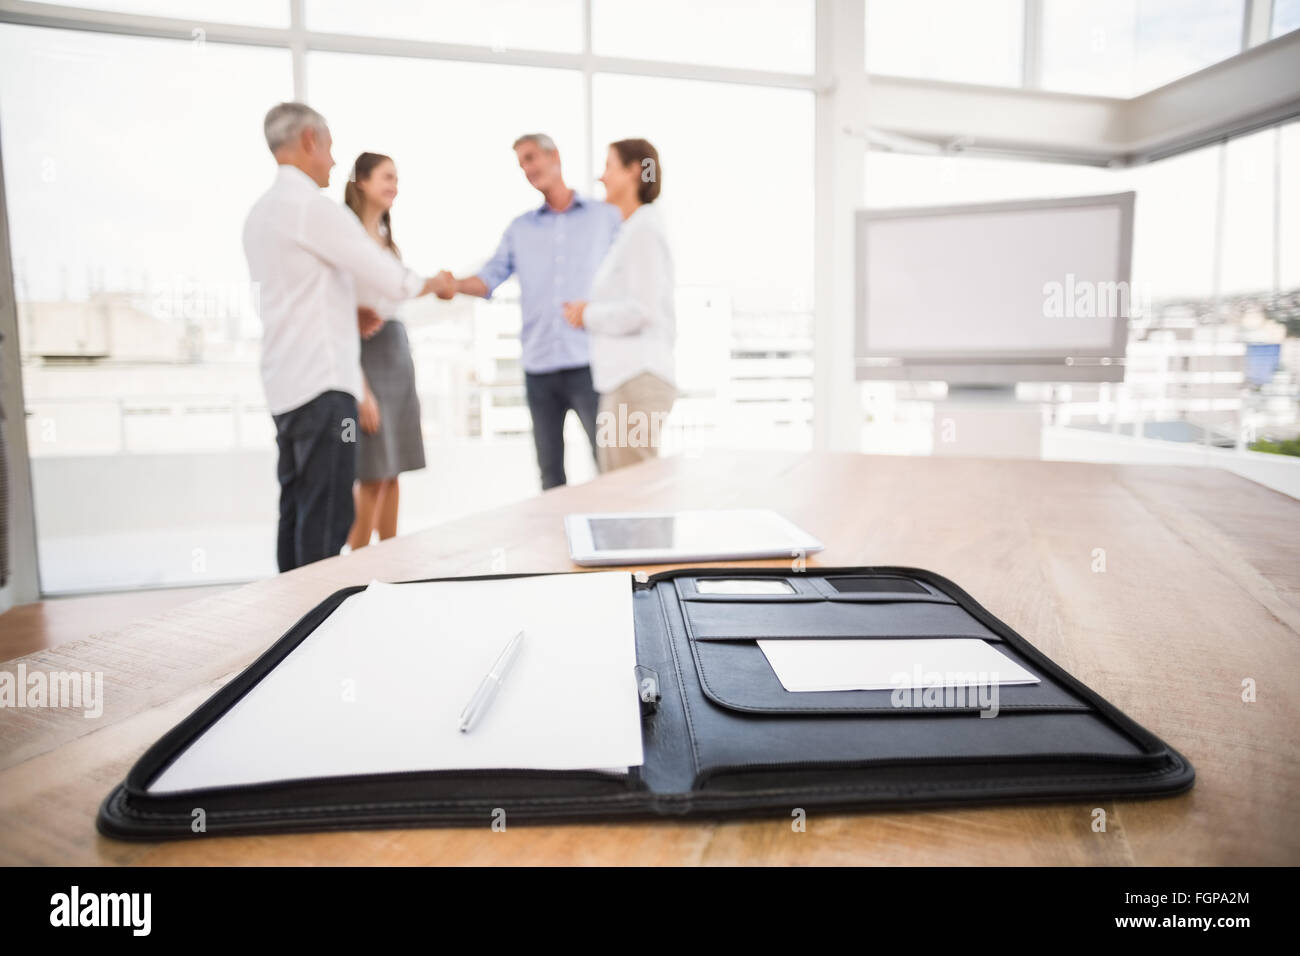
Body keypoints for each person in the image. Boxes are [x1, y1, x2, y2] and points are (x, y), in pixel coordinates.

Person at [243, 103, 442, 572]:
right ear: (310, 140)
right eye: (330, 146)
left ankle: (289, 620)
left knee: (297, 510)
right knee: (329, 518)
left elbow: (293, 296)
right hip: (324, 386)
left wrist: (345, 316)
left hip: (285, 385)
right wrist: (436, 284)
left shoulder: (260, 214)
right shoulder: (312, 208)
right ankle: (316, 627)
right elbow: (387, 275)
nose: (334, 160)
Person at [434, 133, 620, 490]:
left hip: (590, 362)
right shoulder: (520, 229)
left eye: (531, 158)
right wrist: (453, 285)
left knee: (609, 463)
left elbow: (628, 274)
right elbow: (489, 279)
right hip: (539, 369)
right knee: (549, 474)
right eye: (522, 163)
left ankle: (618, 541)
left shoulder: (604, 217)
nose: (528, 169)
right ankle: (558, 543)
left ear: (555, 157)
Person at [562, 139, 676, 472]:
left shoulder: (644, 230)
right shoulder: (633, 229)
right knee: (621, 488)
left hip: (637, 378)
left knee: (631, 492)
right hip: (625, 381)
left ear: (633, 173)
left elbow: (643, 309)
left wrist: (588, 315)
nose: (602, 177)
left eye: (609, 167)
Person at [341, 152, 425, 549]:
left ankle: (390, 565)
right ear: (361, 181)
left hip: (395, 351)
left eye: (396, 178)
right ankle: (353, 569)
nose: (394, 185)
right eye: (386, 177)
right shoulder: (347, 238)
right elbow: (341, 316)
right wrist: (362, 390)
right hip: (367, 355)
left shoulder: (388, 242)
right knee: (373, 473)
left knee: (393, 471)